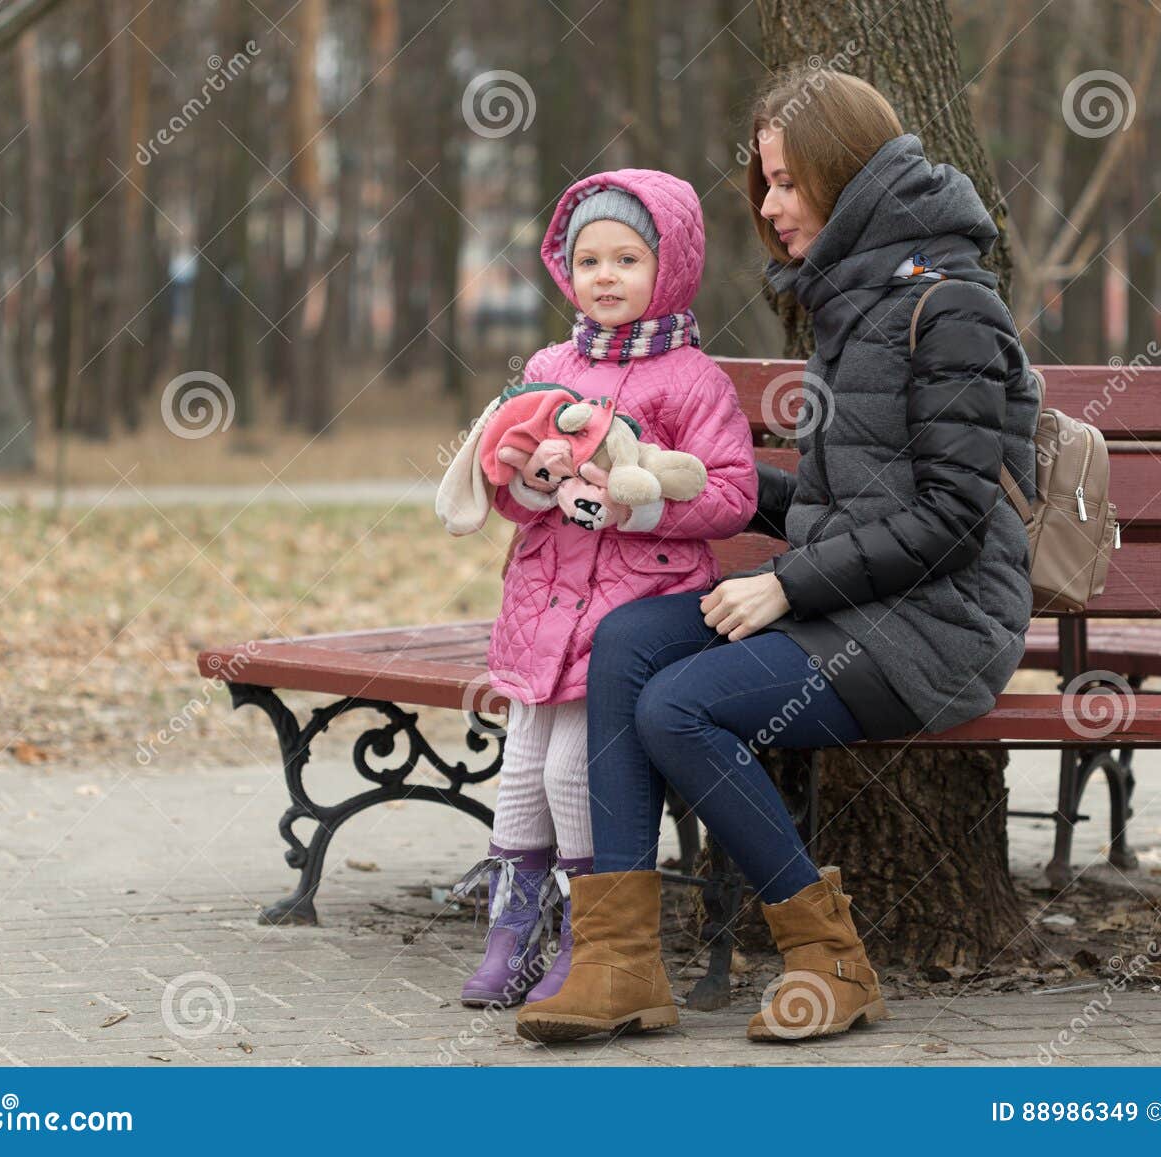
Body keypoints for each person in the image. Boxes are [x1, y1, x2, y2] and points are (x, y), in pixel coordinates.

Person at [516, 69, 1040, 1044]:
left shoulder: (950, 309)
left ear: (846, 175)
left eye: (790, 182)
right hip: (854, 598)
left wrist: (785, 580)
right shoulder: (857, 297)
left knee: (682, 705)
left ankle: (829, 959)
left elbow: (953, 519)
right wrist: (690, 474)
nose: (771, 206)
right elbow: (848, 500)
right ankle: (621, 963)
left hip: (936, 625)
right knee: (624, 640)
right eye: (764, 182)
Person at [441, 169, 757, 1008]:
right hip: (543, 604)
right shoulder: (550, 364)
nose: (606, 276)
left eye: (627, 258)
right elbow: (510, 480)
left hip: (628, 614)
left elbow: (732, 493)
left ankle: (596, 935)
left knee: (571, 774)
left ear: (673, 267)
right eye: (589, 260)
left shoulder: (693, 381)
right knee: (521, 765)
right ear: (564, 268)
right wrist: (526, 481)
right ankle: (513, 924)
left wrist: (644, 502)